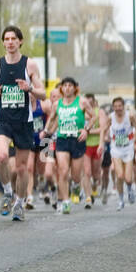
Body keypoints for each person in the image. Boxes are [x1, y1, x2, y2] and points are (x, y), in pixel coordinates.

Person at [0, 25, 46, 222]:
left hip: (24, 122)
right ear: (3, 42)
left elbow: (42, 93)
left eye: (13, 39)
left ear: (20, 41)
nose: (10, 42)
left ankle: (19, 202)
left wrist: (29, 89)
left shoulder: (30, 65)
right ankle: (8, 192)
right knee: (2, 156)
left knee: (21, 169)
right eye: (6, 39)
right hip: (2, 120)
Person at [44, 76, 93, 214]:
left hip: (77, 140)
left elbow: (93, 117)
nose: (67, 88)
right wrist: (46, 131)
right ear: (62, 88)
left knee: (76, 176)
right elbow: (52, 118)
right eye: (65, 86)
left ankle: (76, 186)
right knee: (63, 171)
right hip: (62, 140)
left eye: (70, 85)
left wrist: (86, 130)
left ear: (75, 88)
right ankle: (65, 201)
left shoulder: (82, 102)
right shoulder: (56, 104)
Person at [98, 97, 136, 210]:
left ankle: (130, 190)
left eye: (119, 106)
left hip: (128, 148)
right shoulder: (111, 117)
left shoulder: (129, 116)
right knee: (120, 175)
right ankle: (121, 200)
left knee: (128, 178)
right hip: (116, 148)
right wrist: (101, 144)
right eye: (115, 106)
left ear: (123, 106)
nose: (117, 108)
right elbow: (103, 130)